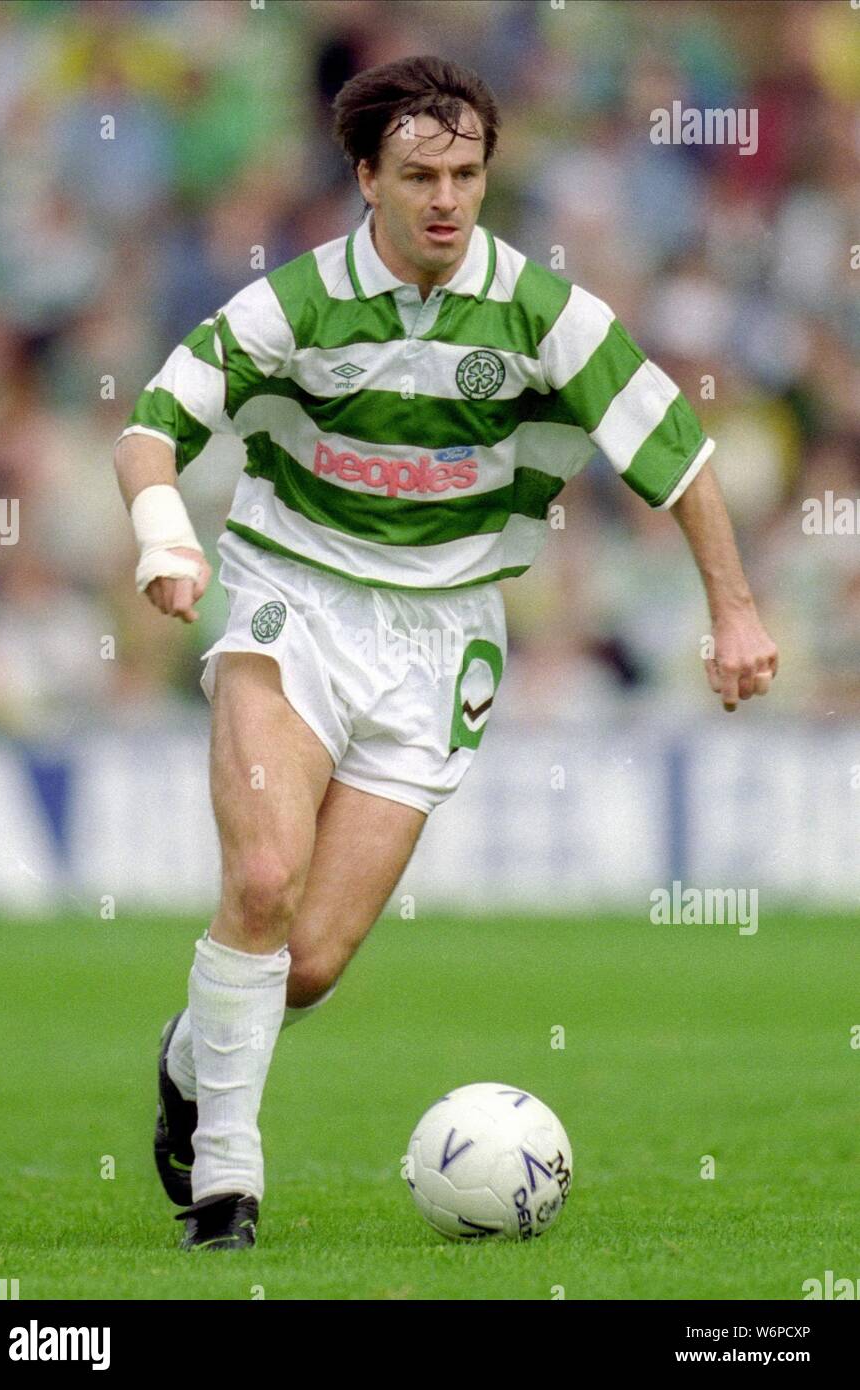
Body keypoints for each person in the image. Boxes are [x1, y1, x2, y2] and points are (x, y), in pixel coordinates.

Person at [113, 55, 778, 1251]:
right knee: (261, 884)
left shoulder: (543, 315)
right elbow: (148, 428)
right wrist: (166, 537)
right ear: (365, 178)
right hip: (290, 598)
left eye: (467, 173)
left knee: (307, 961)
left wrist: (732, 613)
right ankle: (225, 1183)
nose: (446, 199)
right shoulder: (294, 304)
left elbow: (677, 455)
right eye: (418, 174)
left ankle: (186, 1061)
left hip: (442, 636)